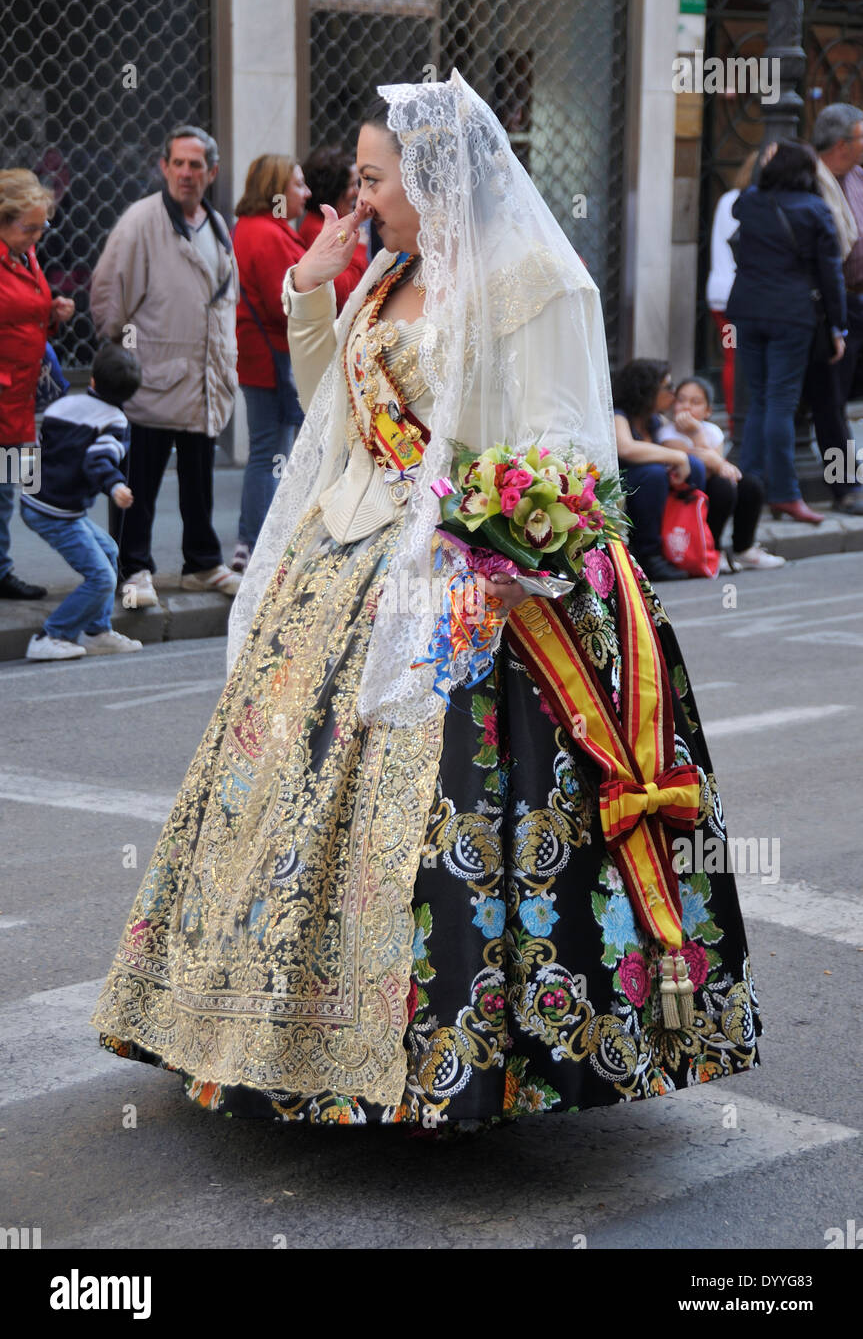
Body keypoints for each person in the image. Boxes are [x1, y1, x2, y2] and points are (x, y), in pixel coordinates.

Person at [93, 73, 760, 1129]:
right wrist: (310, 291)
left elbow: (558, 444)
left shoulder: (531, 277)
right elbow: (336, 412)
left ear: (433, 173)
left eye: (369, 178)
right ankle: (265, 1026)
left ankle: (472, 1057)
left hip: (475, 576)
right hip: (349, 555)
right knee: (288, 799)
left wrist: (488, 526)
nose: (352, 199)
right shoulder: (383, 269)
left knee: (463, 815)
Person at [89, 125, 241, 609]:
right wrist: (120, 356)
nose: (186, 173)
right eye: (178, 163)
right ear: (163, 167)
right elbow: (108, 296)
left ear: (211, 172)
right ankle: (132, 569)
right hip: (152, 378)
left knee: (199, 482)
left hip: (202, 382)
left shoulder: (215, 224)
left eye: (196, 165)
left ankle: (201, 564)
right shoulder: (141, 221)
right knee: (139, 485)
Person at [726, 138, 846, 524]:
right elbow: (832, 276)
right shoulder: (815, 210)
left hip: (746, 310)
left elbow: (747, 193)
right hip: (791, 315)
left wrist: (764, 162)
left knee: (761, 400)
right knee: (779, 403)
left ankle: (746, 489)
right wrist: (838, 326)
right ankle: (784, 494)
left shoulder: (749, 202)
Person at [20, 344, 143, 660]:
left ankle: (96, 631)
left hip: (40, 501)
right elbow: (98, 459)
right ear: (130, 395)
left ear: (92, 380)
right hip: (56, 512)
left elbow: (44, 443)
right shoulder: (115, 421)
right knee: (102, 578)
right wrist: (115, 485)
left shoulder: (63, 405)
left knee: (109, 550)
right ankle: (50, 635)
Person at [231, 155, 311, 573]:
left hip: (260, 357)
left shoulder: (250, 229)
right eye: (298, 185)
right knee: (270, 453)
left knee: (267, 451)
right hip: (274, 361)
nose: (306, 192)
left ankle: (251, 540)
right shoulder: (269, 234)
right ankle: (256, 542)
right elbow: (289, 307)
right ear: (278, 191)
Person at [0, 168, 75, 600]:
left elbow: (24, 310)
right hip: (6, 394)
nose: (37, 235)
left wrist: (52, 313)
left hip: (23, 399)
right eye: (29, 227)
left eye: (42, 225)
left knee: (10, 489)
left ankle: (1, 568)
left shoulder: (23, 253)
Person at [663, 376, 784, 572]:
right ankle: (712, 550)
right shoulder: (666, 433)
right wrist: (697, 436)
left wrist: (714, 458)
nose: (686, 407)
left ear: (708, 410)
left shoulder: (713, 431)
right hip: (685, 490)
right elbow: (700, 468)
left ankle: (744, 548)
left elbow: (713, 467)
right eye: (681, 400)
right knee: (723, 488)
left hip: (709, 481)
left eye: (695, 402)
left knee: (751, 486)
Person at [808, 103, 863, 514]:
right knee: (831, 400)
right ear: (843, 144)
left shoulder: (858, 177)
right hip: (830, 303)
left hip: (857, 299)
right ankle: (844, 487)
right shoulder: (811, 179)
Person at [613, 358, 704, 581]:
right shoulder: (619, 415)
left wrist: (695, 438)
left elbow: (687, 451)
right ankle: (649, 556)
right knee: (653, 474)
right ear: (646, 389)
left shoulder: (655, 420)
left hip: (651, 487)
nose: (673, 393)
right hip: (628, 486)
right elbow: (626, 448)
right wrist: (676, 456)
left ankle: (696, 545)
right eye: (668, 387)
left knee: (696, 467)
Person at [706, 151, 757, 432]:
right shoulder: (747, 202)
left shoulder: (728, 200)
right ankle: (737, 424)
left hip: (720, 294)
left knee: (732, 356)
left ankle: (737, 421)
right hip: (733, 296)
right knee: (734, 358)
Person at [298, 144, 368, 311]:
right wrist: (358, 248)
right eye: (352, 185)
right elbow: (342, 293)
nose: (357, 192)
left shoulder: (320, 224)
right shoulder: (317, 230)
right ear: (334, 190)